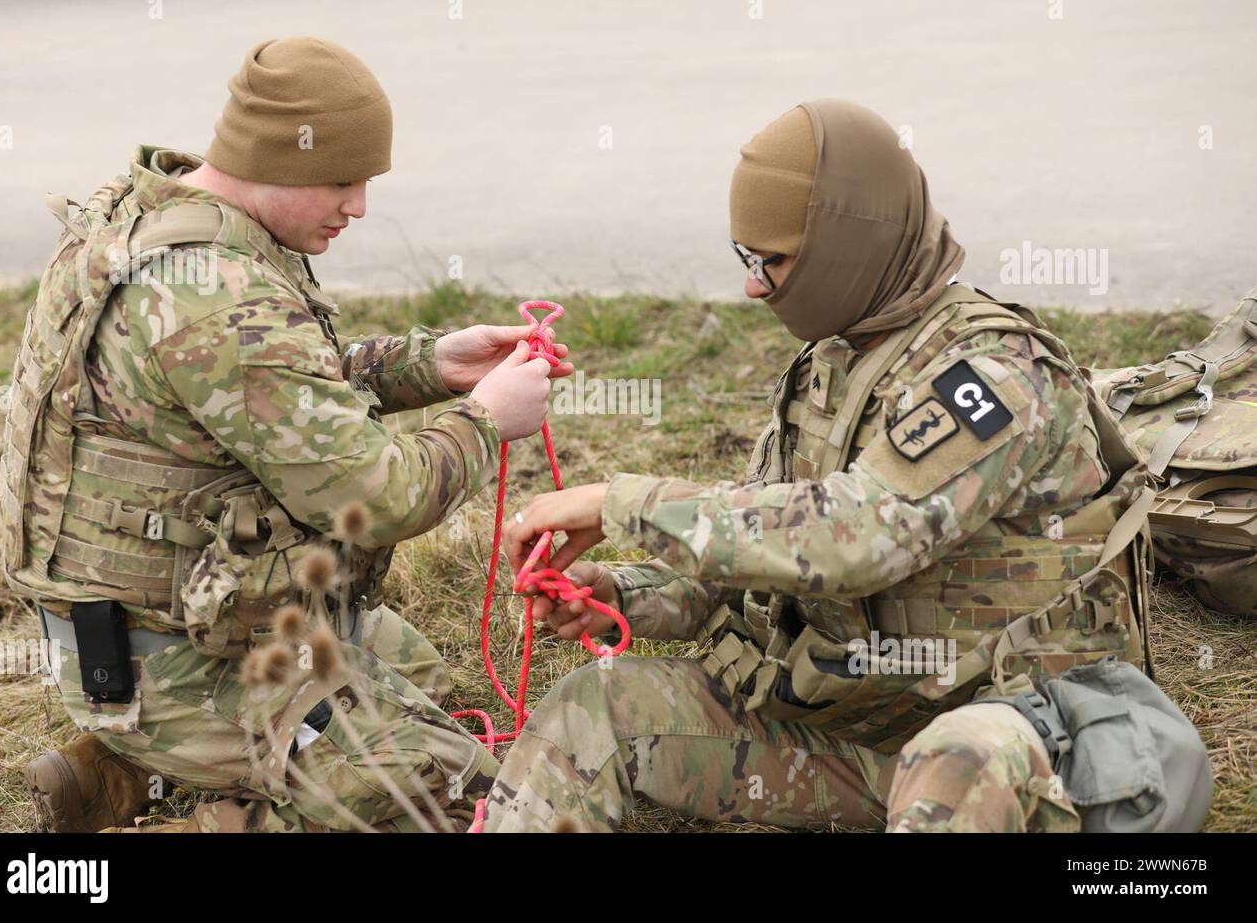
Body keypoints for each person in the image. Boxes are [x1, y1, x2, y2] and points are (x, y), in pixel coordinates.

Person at [486, 98, 1168, 833]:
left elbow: (856, 536)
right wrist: (620, 594)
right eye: (744, 259)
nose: (752, 286)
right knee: (597, 706)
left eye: (770, 261)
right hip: (873, 730)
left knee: (959, 763)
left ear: (845, 245)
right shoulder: (836, 363)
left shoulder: (997, 372)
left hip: (1025, 742)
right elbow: (761, 565)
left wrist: (623, 504)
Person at [8, 37, 566, 832]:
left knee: (416, 673)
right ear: (275, 159)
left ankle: (129, 770)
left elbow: (273, 393)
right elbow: (379, 498)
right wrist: (486, 422)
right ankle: (195, 794)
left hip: (165, 624)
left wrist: (428, 367)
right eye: (343, 181)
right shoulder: (216, 294)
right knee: (474, 804)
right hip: (175, 658)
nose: (360, 206)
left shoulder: (162, 218)